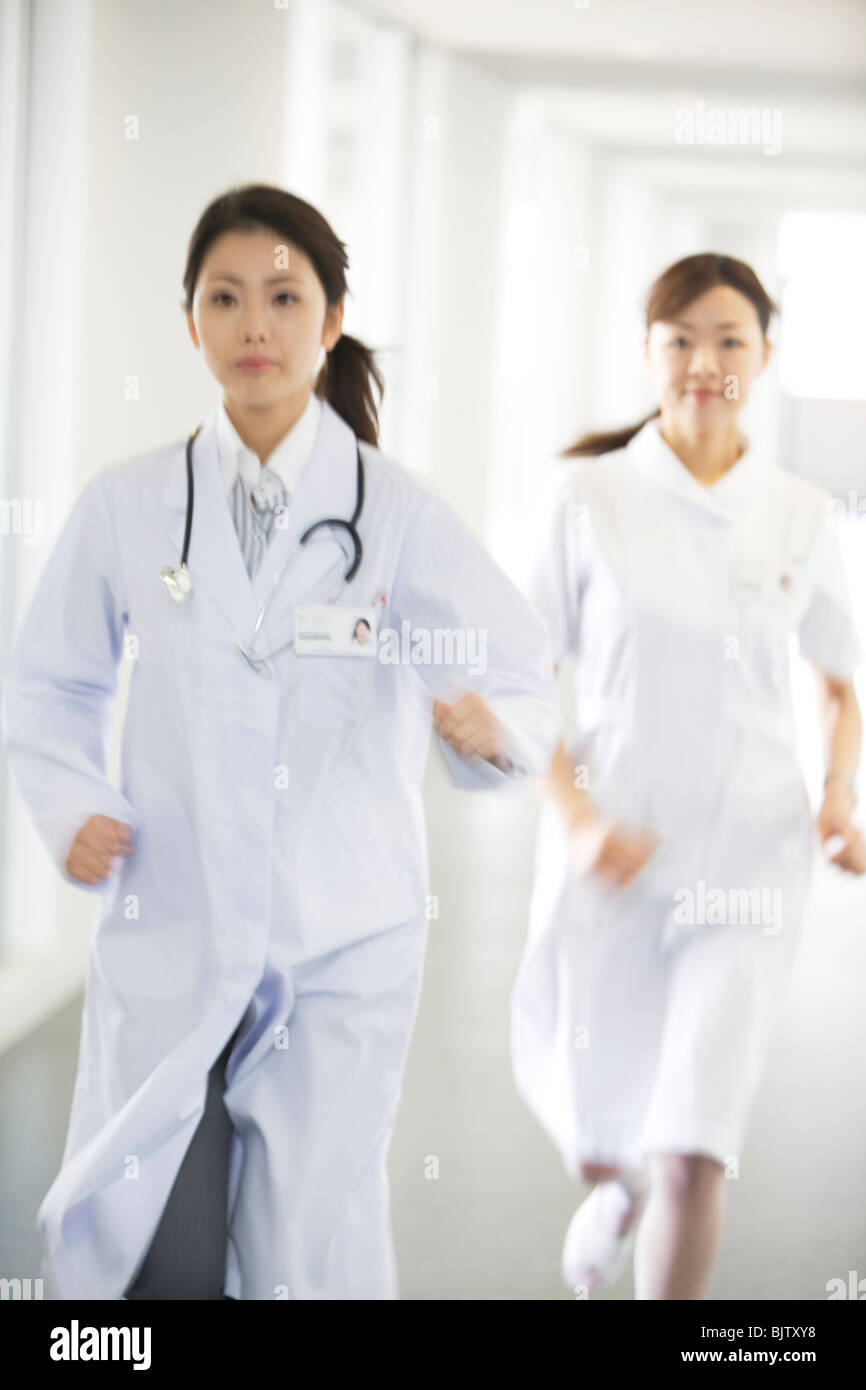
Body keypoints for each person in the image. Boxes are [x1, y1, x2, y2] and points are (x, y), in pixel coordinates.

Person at [2, 183, 560, 1300]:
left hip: (341, 934)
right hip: (175, 908)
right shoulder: (127, 505)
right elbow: (49, 680)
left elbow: (519, 666)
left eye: (283, 296)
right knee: (146, 1233)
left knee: (308, 1244)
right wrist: (70, 807)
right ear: (192, 322)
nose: (254, 324)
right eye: (225, 297)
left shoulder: (393, 512)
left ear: (331, 318)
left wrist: (489, 729)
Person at [510, 252, 864, 1300]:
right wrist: (574, 821)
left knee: (693, 1145)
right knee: (604, 1127)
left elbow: (840, 680)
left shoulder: (801, 512)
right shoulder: (589, 496)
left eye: (728, 342)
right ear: (646, 350)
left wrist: (838, 792)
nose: (702, 363)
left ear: (763, 357)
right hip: (615, 848)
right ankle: (609, 1186)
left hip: (749, 856)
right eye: (680, 340)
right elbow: (525, 680)